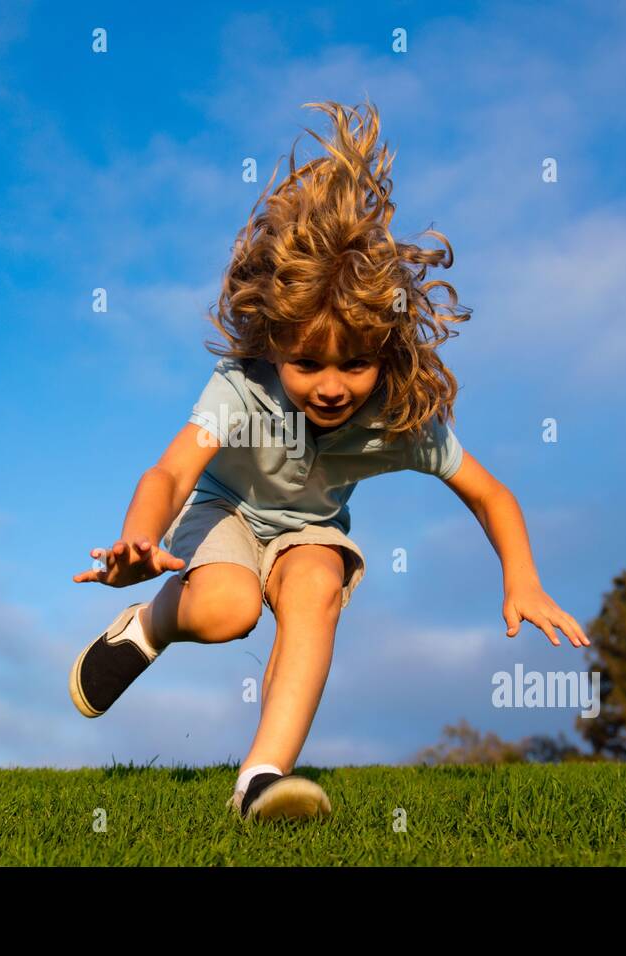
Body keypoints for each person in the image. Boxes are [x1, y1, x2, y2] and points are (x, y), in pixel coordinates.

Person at [69, 99, 589, 822]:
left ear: (386, 351)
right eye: (308, 362)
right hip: (226, 510)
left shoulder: (399, 417)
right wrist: (139, 538)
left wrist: (522, 580)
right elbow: (170, 473)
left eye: (356, 363)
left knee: (314, 583)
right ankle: (149, 626)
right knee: (227, 610)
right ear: (276, 343)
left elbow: (490, 493)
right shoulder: (242, 387)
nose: (333, 386)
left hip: (307, 530)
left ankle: (260, 780)